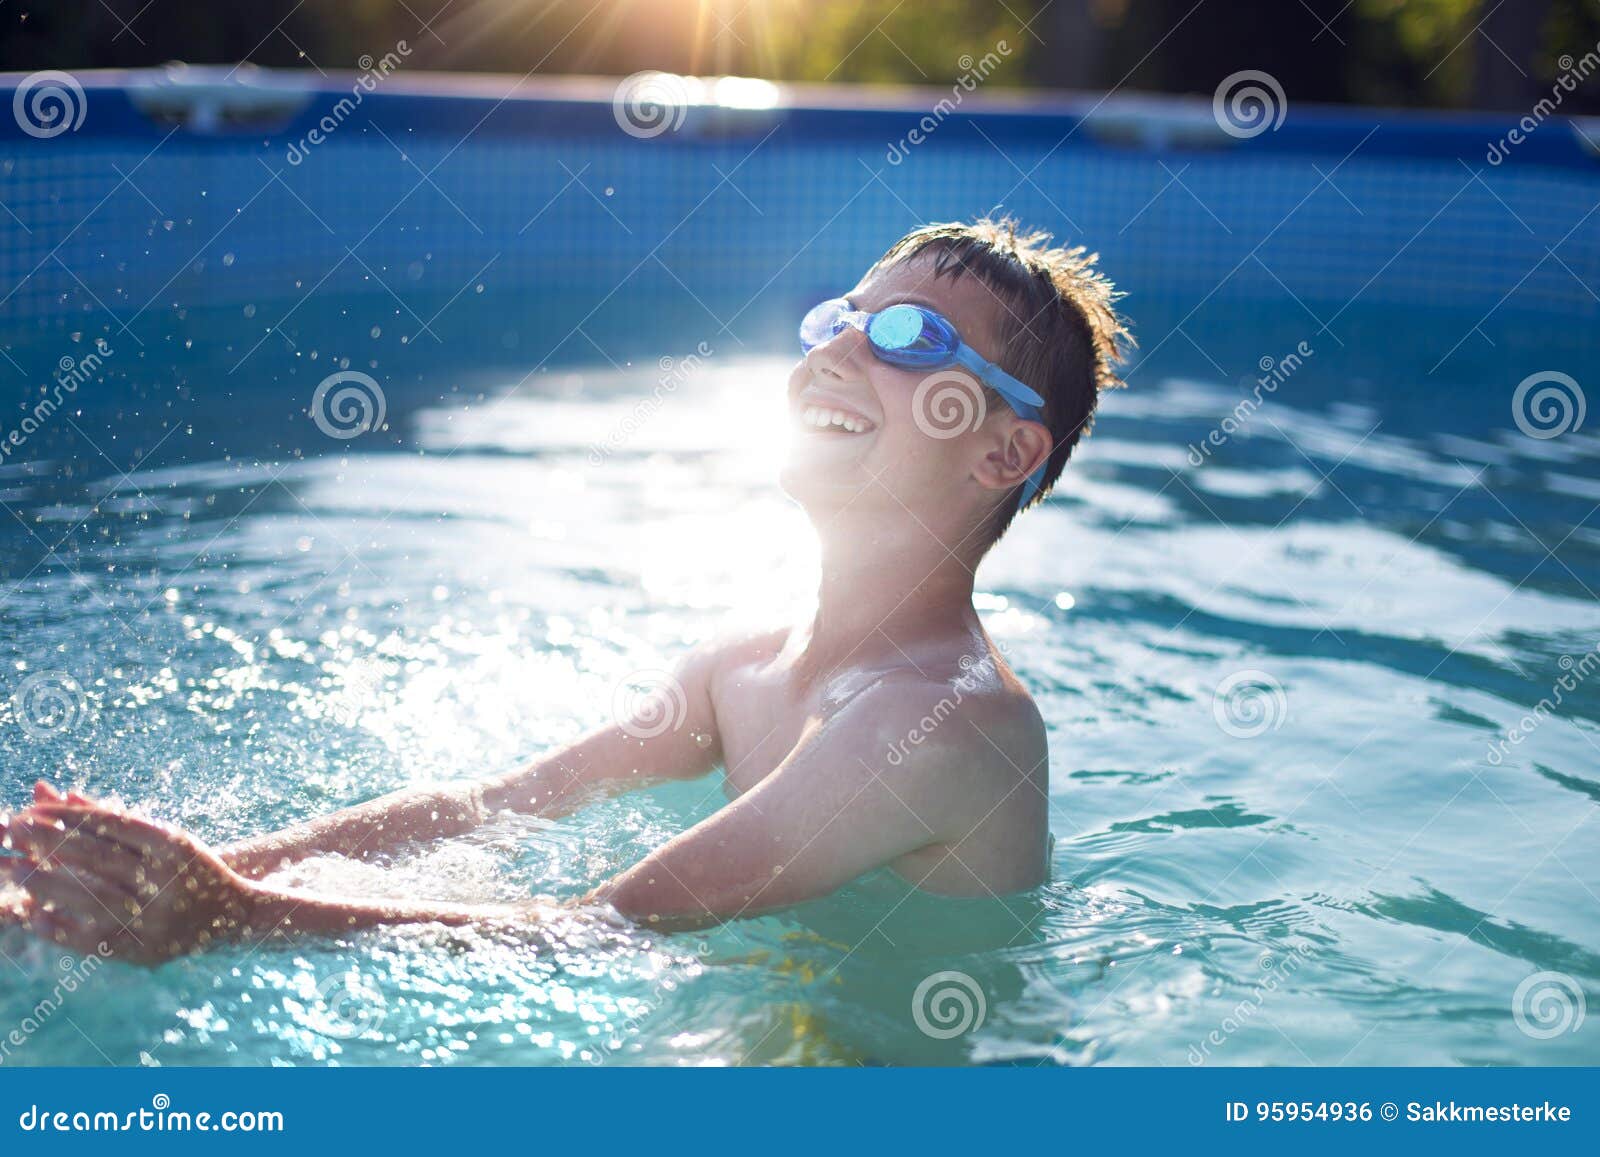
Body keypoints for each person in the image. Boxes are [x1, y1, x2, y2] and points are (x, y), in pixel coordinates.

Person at [0, 217, 1130, 965]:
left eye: (906, 333)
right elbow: (497, 805)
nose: (837, 346)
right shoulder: (743, 662)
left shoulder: (946, 721)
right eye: (836, 316)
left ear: (999, 452)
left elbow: (604, 928)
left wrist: (230, 919)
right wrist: (173, 867)